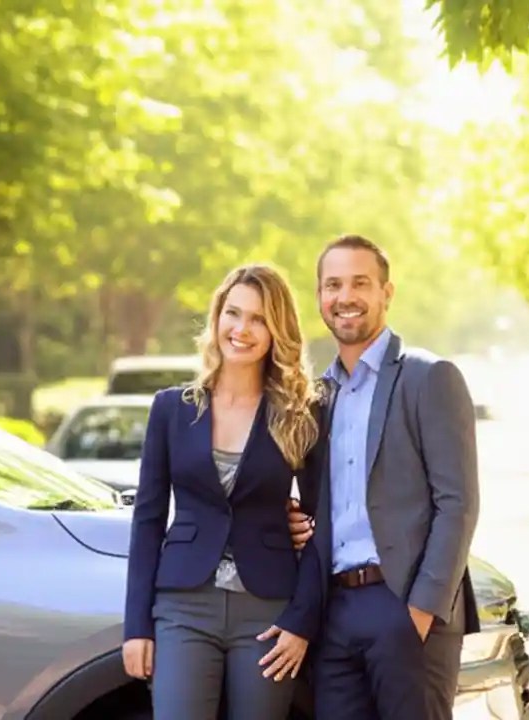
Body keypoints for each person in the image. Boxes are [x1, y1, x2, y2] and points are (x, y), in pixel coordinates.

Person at [289, 234, 481, 720]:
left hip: (405, 607)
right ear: (319, 298)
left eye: (360, 283)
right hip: (335, 615)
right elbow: (316, 503)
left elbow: (457, 504)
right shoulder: (317, 397)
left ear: (386, 293)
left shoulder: (428, 377)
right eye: (333, 285)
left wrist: (419, 613)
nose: (345, 297)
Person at [122, 264, 324, 719]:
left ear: (277, 330)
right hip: (183, 608)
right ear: (216, 319)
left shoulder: (299, 414)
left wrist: (301, 622)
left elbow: (322, 524)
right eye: (233, 313)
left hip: (268, 614)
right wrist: (137, 626)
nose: (242, 329)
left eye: (258, 319)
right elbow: (148, 520)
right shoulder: (172, 409)